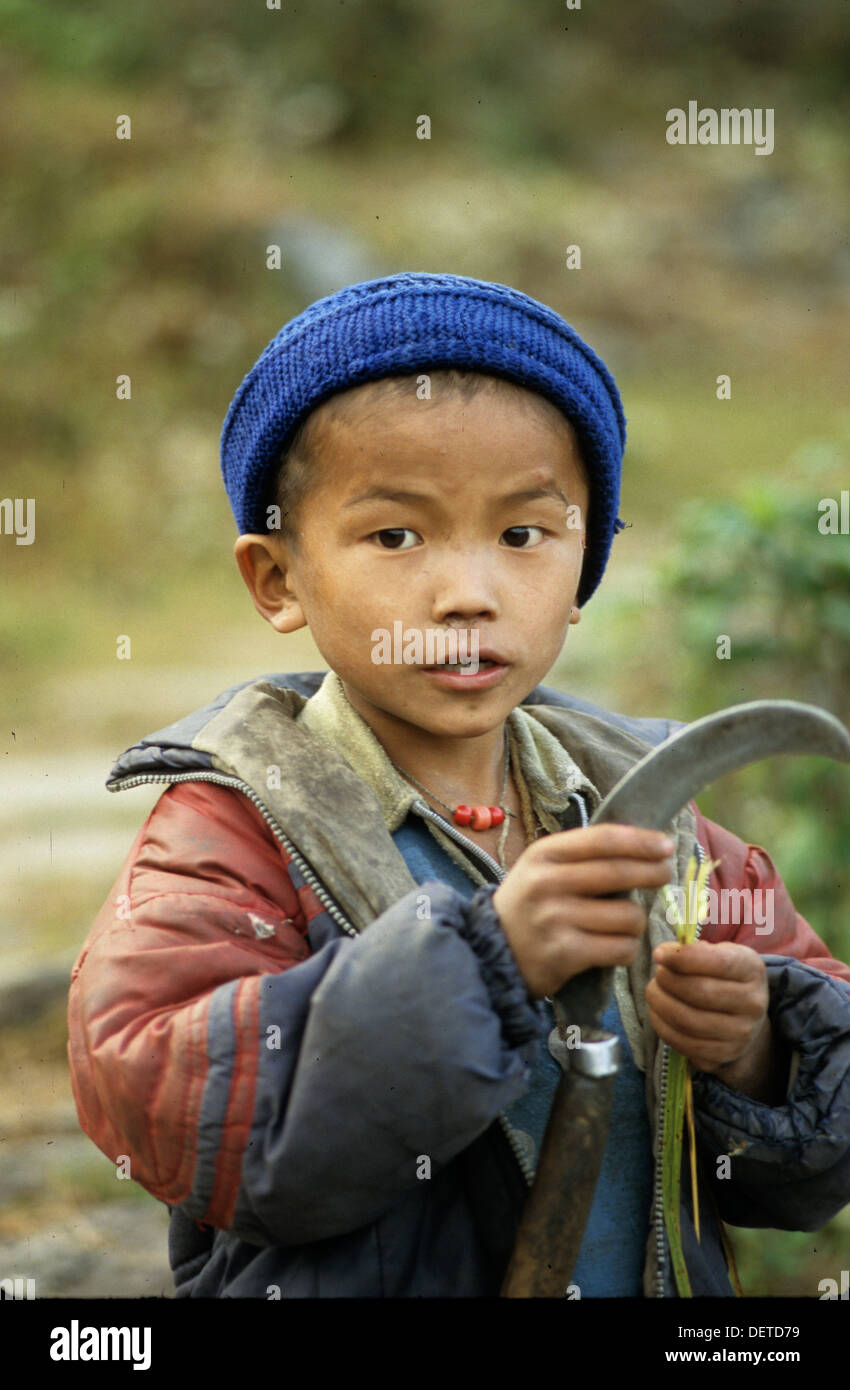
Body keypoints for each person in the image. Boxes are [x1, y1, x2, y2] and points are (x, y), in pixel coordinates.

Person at [67, 271, 850, 1297]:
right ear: (277, 578)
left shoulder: (660, 817)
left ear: (583, 567)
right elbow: (173, 1110)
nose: (468, 594)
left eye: (523, 535)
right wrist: (484, 967)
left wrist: (752, 1053)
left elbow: (807, 1163)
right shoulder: (240, 824)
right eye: (395, 535)